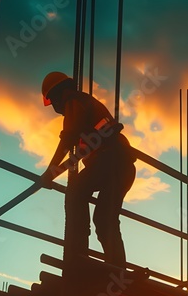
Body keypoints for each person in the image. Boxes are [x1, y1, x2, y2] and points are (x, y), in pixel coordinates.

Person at [39, 71, 137, 269]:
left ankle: (78, 253)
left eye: (53, 102)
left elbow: (68, 139)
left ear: (60, 94)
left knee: (75, 191)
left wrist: (50, 172)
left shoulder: (75, 102)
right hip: (121, 167)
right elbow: (76, 138)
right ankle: (116, 270)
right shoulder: (84, 106)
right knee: (104, 220)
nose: (56, 109)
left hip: (111, 161)